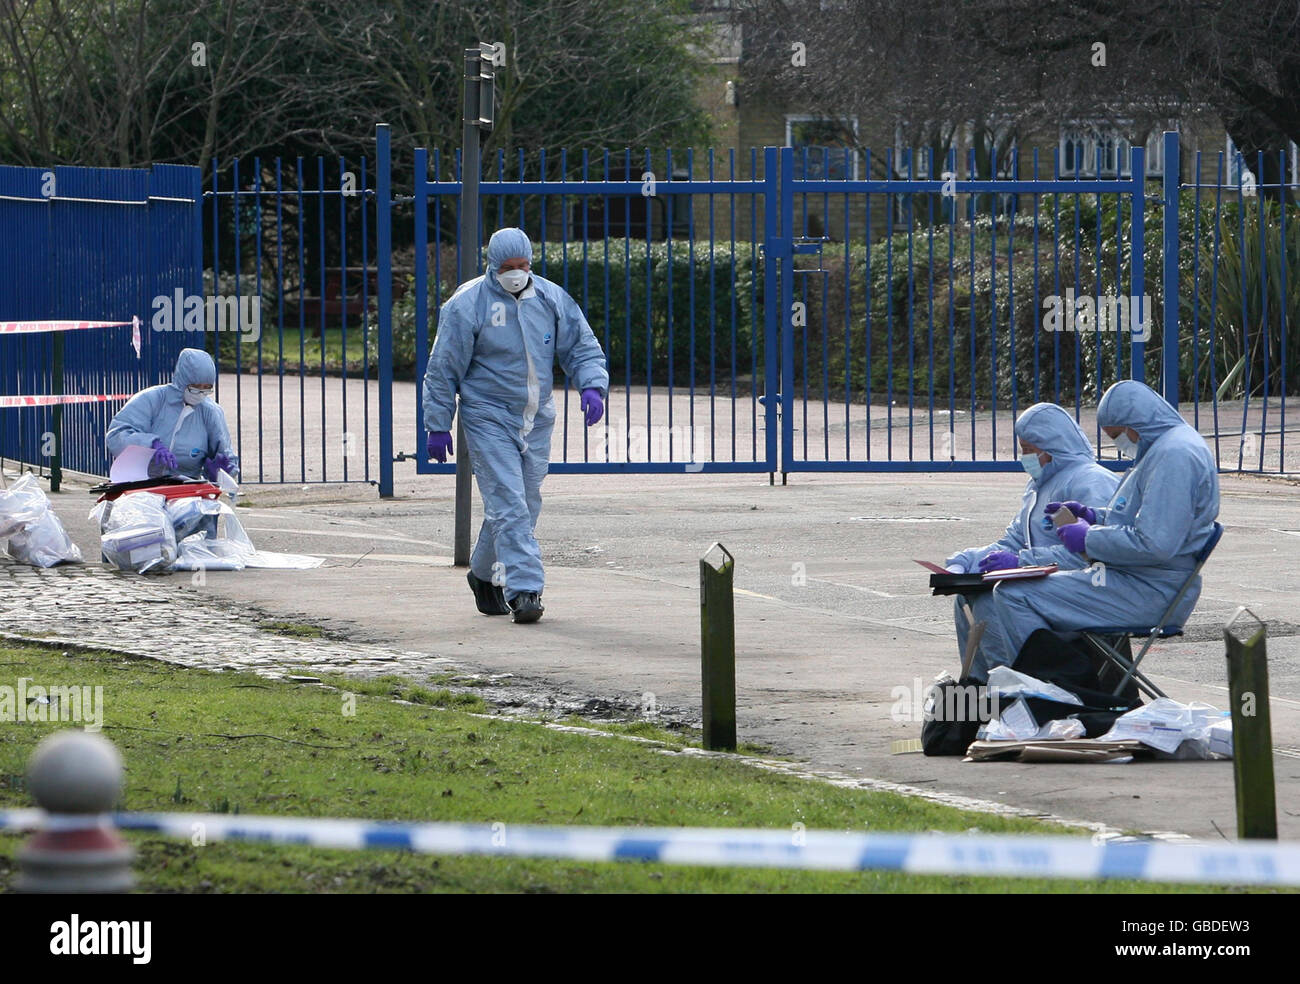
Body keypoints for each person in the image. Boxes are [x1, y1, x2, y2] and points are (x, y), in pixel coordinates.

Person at [423, 227, 608, 624]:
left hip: (537, 415)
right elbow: (443, 368)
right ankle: (525, 590)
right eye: (508, 267)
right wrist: (438, 423)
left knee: (523, 502)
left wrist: (591, 384)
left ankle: (483, 573)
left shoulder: (550, 297)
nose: (517, 273)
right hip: (487, 414)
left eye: (523, 266)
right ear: (492, 266)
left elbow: (580, 345)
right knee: (508, 502)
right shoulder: (466, 304)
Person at [991, 380, 1220, 660]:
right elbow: (1135, 518)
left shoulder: (1175, 456)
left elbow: (1155, 543)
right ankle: (1063, 683)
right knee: (1017, 592)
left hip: (1150, 590)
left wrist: (1088, 538)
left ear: (1134, 424)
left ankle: (1048, 688)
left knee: (1014, 595)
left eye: (1117, 435)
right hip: (1137, 579)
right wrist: (1093, 516)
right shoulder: (1163, 448)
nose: (1119, 444)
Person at [943, 403, 1119, 681]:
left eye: (1028, 449)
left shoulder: (1091, 482)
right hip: (1047, 584)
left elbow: (1095, 552)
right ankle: (979, 688)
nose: (1024, 457)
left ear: (1051, 447)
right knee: (967, 595)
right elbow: (1014, 539)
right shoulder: (1039, 486)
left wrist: (1023, 563)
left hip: (1088, 589)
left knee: (993, 601)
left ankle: (1020, 691)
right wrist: (967, 561)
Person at [107, 348, 238, 484]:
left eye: (206, 387)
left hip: (184, 489)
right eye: (195, 386)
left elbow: (226, 456)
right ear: (183, 380)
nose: (200, 392)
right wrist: (150, 445)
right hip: (136, 482)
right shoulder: (151, 399)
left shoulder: (211, 412)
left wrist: (221, 472)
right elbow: (116, 435)